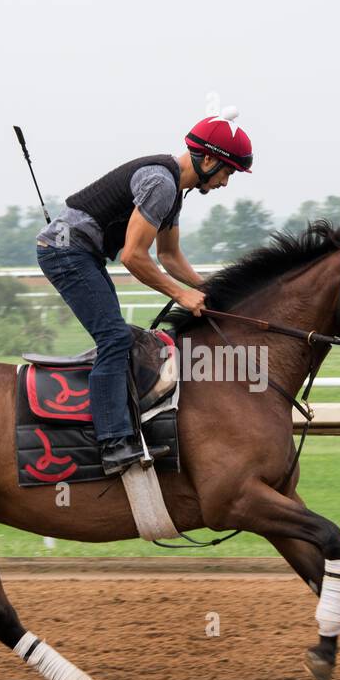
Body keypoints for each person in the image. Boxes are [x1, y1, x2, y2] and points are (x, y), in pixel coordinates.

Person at [35, 106, 253, 475]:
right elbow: (134, 257)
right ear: (209, 160)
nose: (226, 183)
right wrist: (182, 295)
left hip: (82, 253)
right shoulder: (161, 184)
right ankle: (113, 443)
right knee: (115, 338)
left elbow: (169, 256)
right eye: (228, 172)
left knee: (122, 336)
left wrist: (209, 290)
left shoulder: (174, 193)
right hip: (65, 252)